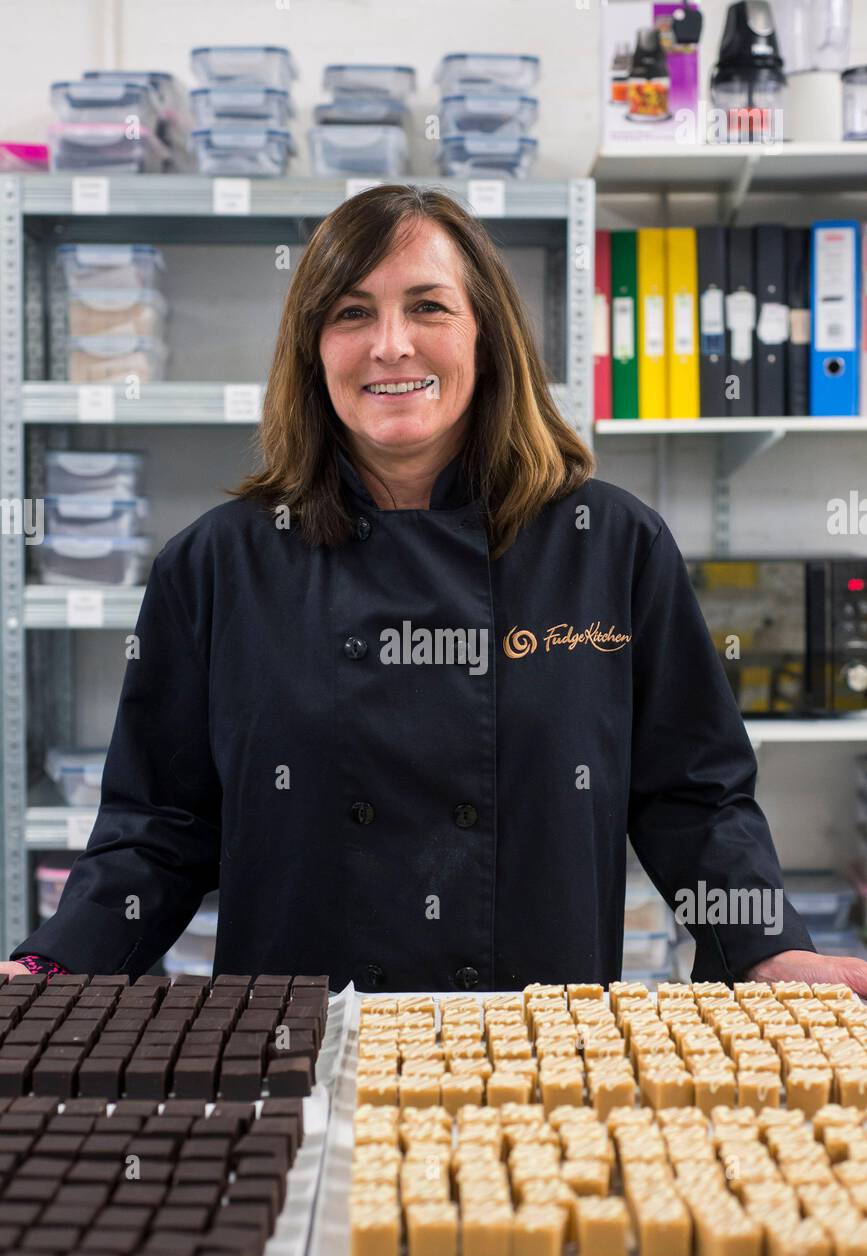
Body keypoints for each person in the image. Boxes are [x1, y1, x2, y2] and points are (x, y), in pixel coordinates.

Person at [4, 184, 864, 997]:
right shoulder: (217, 564)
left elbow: (692, 797)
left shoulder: (609, 546)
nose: (390, 344)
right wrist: (51, 965)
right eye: (350, 313)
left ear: (485, 334)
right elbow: (158, 827)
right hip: (297, 1049)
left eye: (427, 305)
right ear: (313, 350)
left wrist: (767, 946)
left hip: (535, 1051)